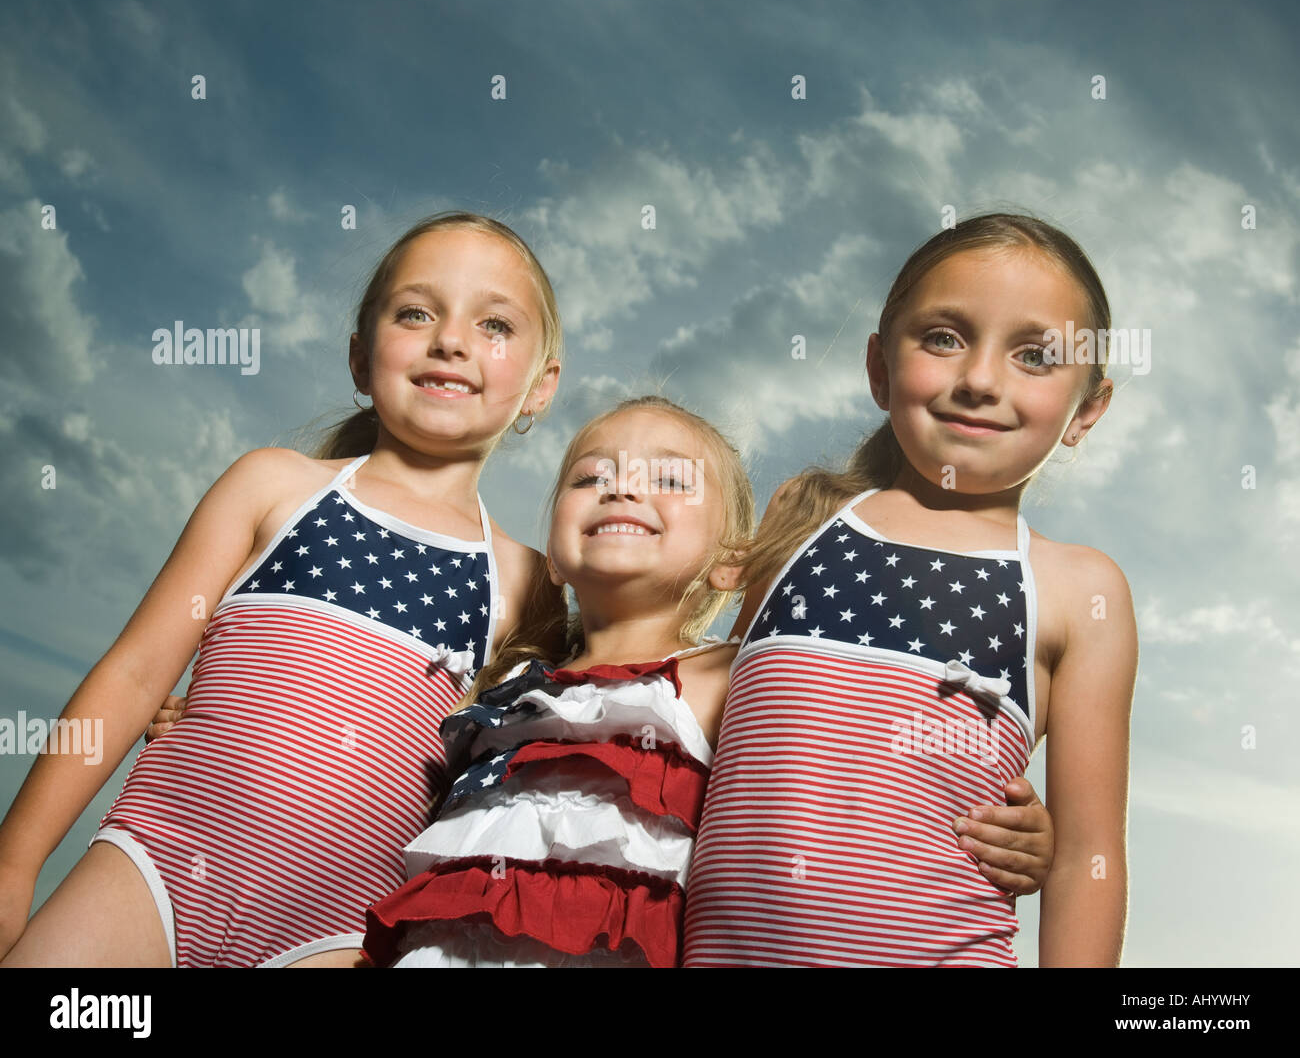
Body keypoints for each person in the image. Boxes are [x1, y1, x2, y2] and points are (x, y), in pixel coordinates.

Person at [0, 212, 564, 968]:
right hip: (156, 867)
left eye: (494, 322)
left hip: (337, 932)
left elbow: (504, 782)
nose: (451, 339)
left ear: (541, 385)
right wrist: (14, 863)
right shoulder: (273, 485)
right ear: (361, 358)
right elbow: (134, 673)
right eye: (416, 312)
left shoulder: (526, 583)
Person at [362, 396, 1059, 968]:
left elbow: (853, 771)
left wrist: (1025, 833)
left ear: (732, 561)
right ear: (554, 561)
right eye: (589, 476)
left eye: (669, 479)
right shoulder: (508, 685)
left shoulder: (732, 674)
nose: (621, 486)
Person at [683, 213, 1137, 967]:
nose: (981, 379)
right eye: (944, 338)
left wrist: (1047, 843)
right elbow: (716, 731)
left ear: (1086, 410)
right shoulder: (805, 514)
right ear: (880, 367)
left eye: (1034, 356)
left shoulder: (1078, 587)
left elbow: (1091, 859)